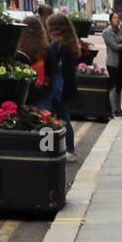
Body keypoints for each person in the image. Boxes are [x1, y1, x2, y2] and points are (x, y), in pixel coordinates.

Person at [44, 12, 81, 161]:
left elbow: (58, 71)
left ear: (54, 28)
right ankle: (68, 150)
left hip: (59, 90)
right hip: (67, 89)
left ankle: (69, 150)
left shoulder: (57, 45)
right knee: (63, 117)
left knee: (61, 118)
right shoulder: (70, 43)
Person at [101, 11, 122, 118]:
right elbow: (115, 47)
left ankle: (119, 109)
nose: (116, 20)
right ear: (110, 20)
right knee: (114, 86)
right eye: (114, 18)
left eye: (118, 18)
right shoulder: (107, 32)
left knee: (119, 86)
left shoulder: (120, 31)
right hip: (113, 63)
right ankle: (113, 110)